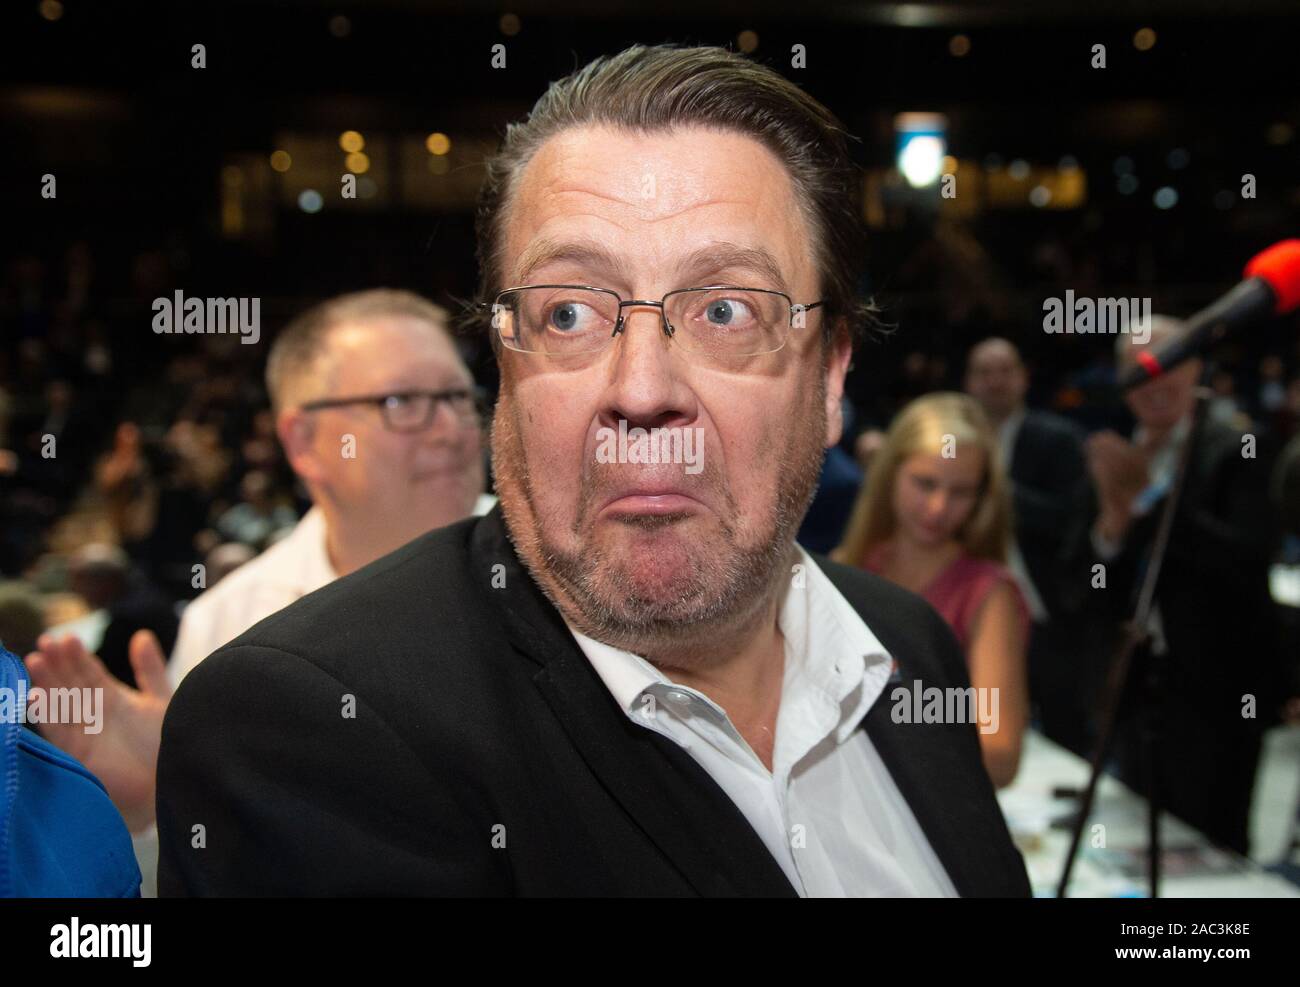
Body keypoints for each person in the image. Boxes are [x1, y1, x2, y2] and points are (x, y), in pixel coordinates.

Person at [156, 45, 1030, 897]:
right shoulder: (306, 732)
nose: (642, 391)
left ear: (832, 375)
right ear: (503, 363)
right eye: (568, 312)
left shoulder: (906, 647)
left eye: (725, 309)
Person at [26, 289, 494, 845]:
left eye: (459, 398)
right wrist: (160, 803)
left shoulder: (554, 563)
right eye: (402, 403)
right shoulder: (231, 625)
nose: (451, 431)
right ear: (305, 442)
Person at [1060, 316, 1280, 856]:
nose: (1153, 382)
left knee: (1212, 856)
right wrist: (1110, 533)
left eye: (1169, 365)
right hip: (1130, 695)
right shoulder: (1111, 455)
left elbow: (1248, 562)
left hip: (1218, 693)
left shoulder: (1240, 447)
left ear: (1198, 368)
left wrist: (1150, 505)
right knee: (1137, 844)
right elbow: (1077, 588)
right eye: (1139, 370)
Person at [834, 392, 1030, 787]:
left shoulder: (988, 593)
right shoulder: (847, 567)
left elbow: (1001, 755)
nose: (939, 507)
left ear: (981, 497)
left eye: (961, 492)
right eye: (924, 483)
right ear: (891, 474)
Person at [963, 337, 1096, 755]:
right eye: (984, 373)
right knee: (979, 736)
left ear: (1023, 378)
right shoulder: (950, 444)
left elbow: (1071, 521)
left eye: (1005, 371)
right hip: (970, 616)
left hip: (1047, 613)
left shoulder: (1058, 438)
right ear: (969, 383)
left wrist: (995, 486)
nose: (995, 382)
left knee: (1064, 731)